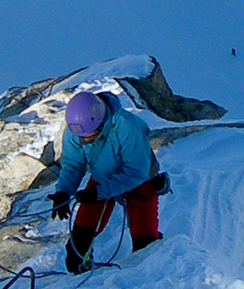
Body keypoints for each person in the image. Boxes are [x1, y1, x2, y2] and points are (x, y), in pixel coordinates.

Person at [50, 90, 164, 272]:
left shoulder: (127, 127)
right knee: (78, 245)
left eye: (91, 135)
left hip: (140, 182)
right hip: (102, 179)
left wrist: (99, 192)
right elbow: (73, 165)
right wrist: (63, 192)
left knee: (145, 246)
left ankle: (151, 276)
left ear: (101, 121)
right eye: (82, 137)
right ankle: (82, 273)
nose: (85, 139)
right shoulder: (76, 130)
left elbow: (136, 172)